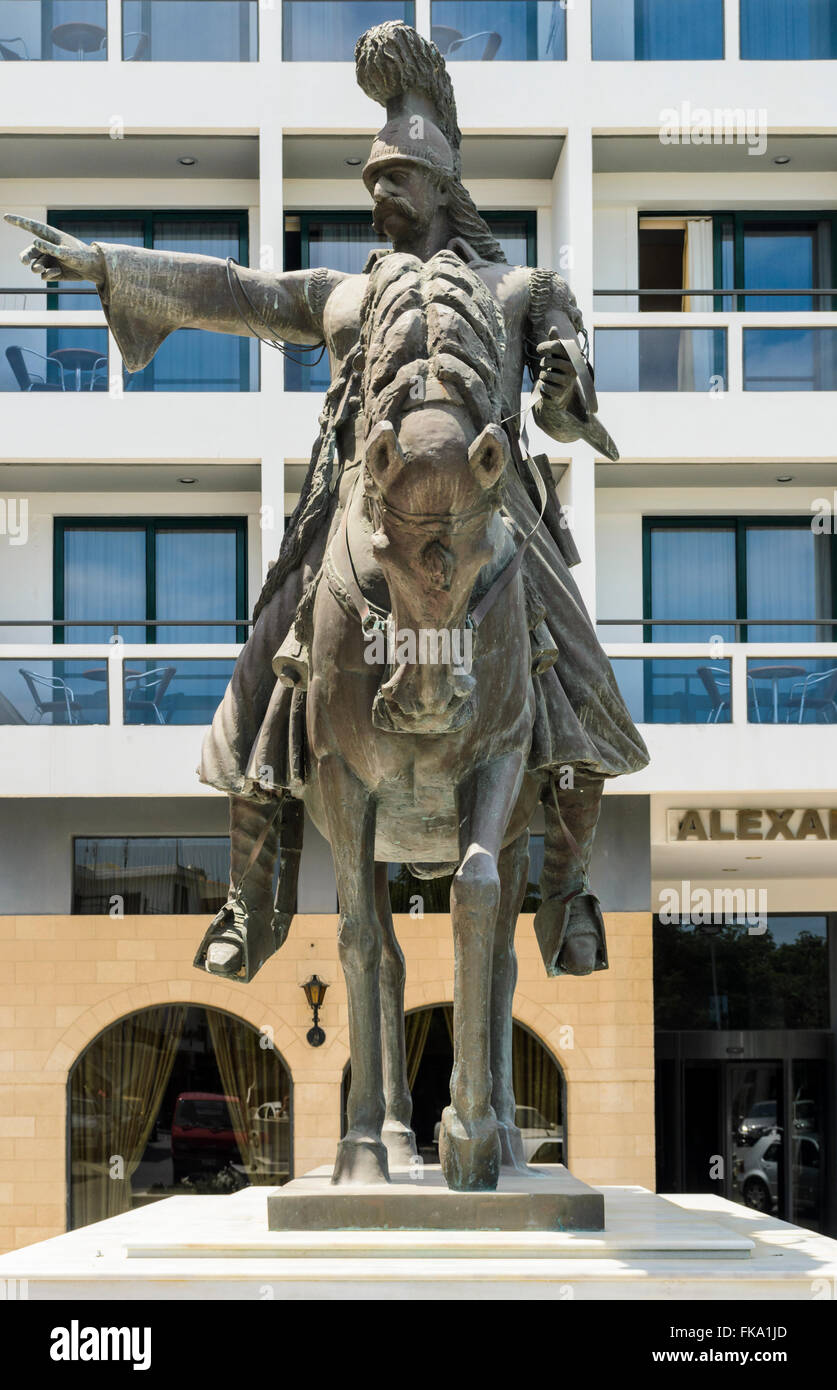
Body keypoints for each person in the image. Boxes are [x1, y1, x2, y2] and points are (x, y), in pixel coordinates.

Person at [7, 21, 648, 983]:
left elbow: (566, 408)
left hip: (491, 512)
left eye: (392, 179)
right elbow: (232, 288)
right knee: (267, 663)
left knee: (587, 681)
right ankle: (248, 897)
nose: (378, 195)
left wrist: (561, 383)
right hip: (364, 509)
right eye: (370, 181)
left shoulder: (521, 287)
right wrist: (111, 265)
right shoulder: (342, 296)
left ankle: (565, 890)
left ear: (438, 187)